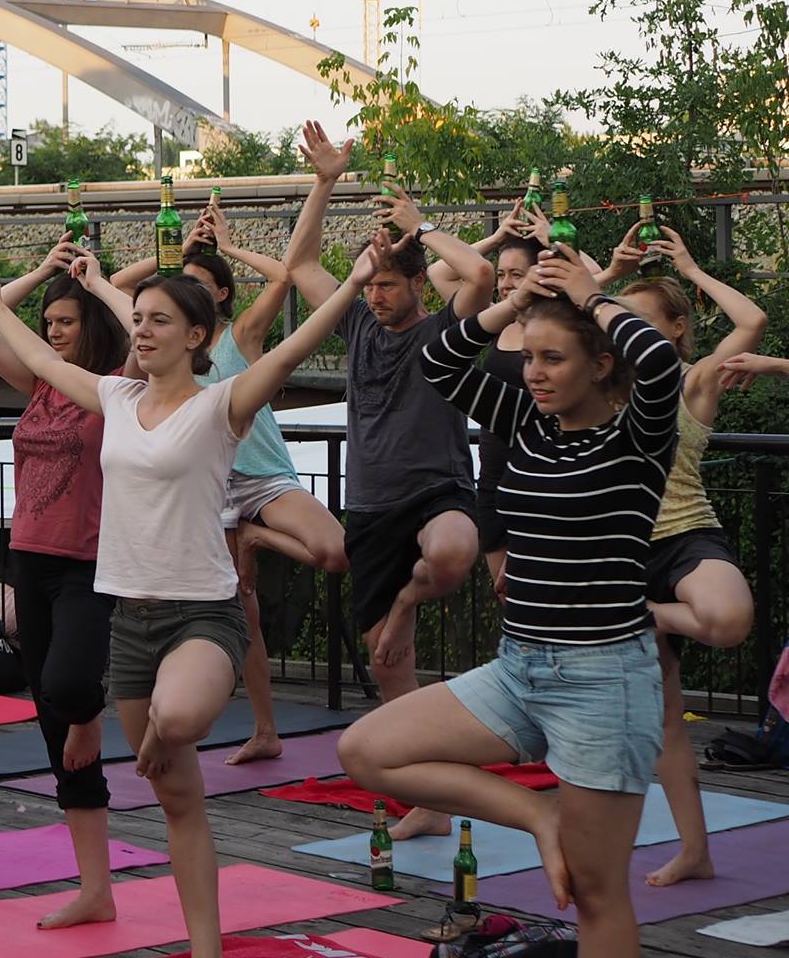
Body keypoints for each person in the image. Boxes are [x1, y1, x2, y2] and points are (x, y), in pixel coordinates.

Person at [0, 247, 379, 958]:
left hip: (200, 617)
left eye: (160, 321)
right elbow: (47, 363)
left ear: (197, 336)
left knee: (177, 719)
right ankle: (206, 947)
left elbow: (294, 348)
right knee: (178, 804)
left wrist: (355, 285)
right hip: (131, 624)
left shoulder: (223, 406)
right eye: (139, 319)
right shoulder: (117, 398)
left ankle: (160, 729)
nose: (143, 330)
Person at [340, 247, 682, 958]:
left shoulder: (637, 440)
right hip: (519, 668)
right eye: (531, 358)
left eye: (554, 359)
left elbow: (661, 367)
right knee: (367, 750)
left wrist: (593, 296)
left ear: (600, 365)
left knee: (595, 895)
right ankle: (536, 815)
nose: (534, 373)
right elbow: (437, 362)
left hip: (603, 681)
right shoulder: (528, 424)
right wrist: (515, 296)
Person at [283, 123, 493, 837]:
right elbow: (298, 264)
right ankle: (430, 805)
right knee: (389, 670)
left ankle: (407, 602)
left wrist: (422, 227)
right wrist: (324, 182)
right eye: (369, 287)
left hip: (435, 494)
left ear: (414, 290)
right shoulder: (360, 328)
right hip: (371, 507)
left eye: (387, 287)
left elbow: (483, 278)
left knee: (453, 552)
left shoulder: (441, 331)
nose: (375, 298)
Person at [115, 200, 349, 765]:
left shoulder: (238, 337)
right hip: (206, 488)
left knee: (335, 550)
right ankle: (265, 729)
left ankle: (258, 538)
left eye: (195, 285)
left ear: (217, 296)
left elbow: (283, 276)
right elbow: (114, 297)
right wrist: (162, 256)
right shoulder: (162, 345)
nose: (180, 292)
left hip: (260, 477)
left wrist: (225, 244)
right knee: (241, 610)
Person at [0, 238, 127, 928]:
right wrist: (33, 278)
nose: (54, 331)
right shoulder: (40, 382)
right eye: (49, 321)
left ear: (93, 327)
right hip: (28, 557)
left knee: (68, 691)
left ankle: (92, 709)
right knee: (51, 724)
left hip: (89, 561)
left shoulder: (118, 384)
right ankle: (97, 889)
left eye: (67, 320)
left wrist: (98, 280)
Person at [601, 223, 764, 887]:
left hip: (687, 539)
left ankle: (649, 614)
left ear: (673, 331)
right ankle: (694, 850)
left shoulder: (694, 382)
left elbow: (751, 320)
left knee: (728, 620)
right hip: (623, 552)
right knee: (664, 721)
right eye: (619, 323)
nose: (626, 335)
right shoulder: (596, 390)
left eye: (642, 323)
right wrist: (603, 282)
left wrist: (692, 269)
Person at [427, 211, 544, 596]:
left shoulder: (557, 327)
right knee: (508, 599)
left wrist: (555, 241)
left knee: (540, 594)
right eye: (501, 274)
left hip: (540, 479)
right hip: (494, 479)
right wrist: (495, 240)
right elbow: (439, 273)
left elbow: (595, 283)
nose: (506, 283)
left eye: (516, 274)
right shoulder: (493, 320)